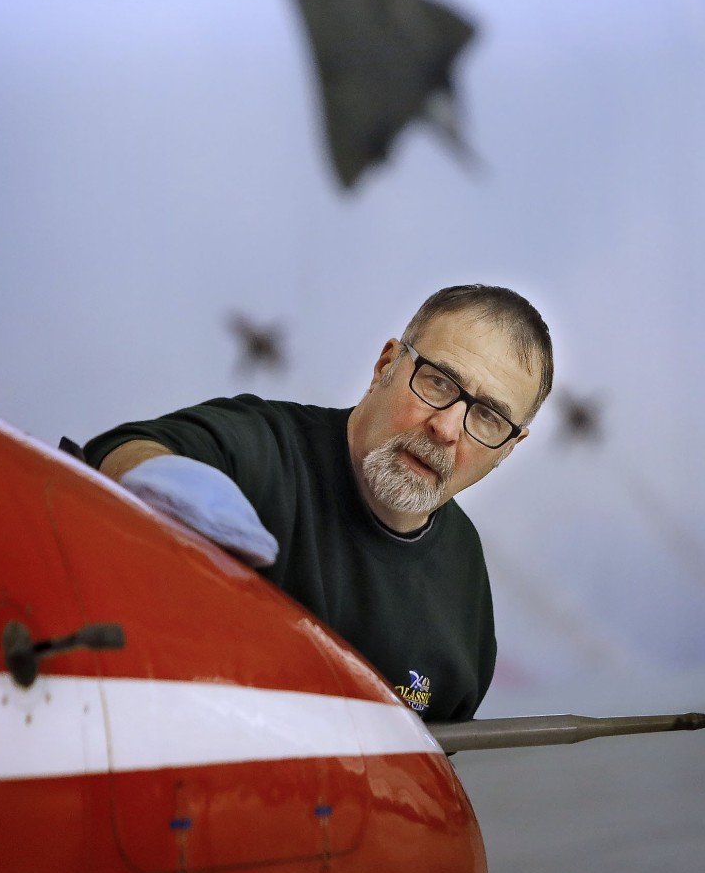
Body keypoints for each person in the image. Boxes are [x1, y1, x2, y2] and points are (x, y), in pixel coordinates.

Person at [83, 284, 554, 722]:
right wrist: (157, 480)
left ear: (509, 449)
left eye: (488, 418)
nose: (446, 429)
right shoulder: (263, 450)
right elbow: (122, 450)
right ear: (387, 366)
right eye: (438, 382)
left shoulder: (466, 586)